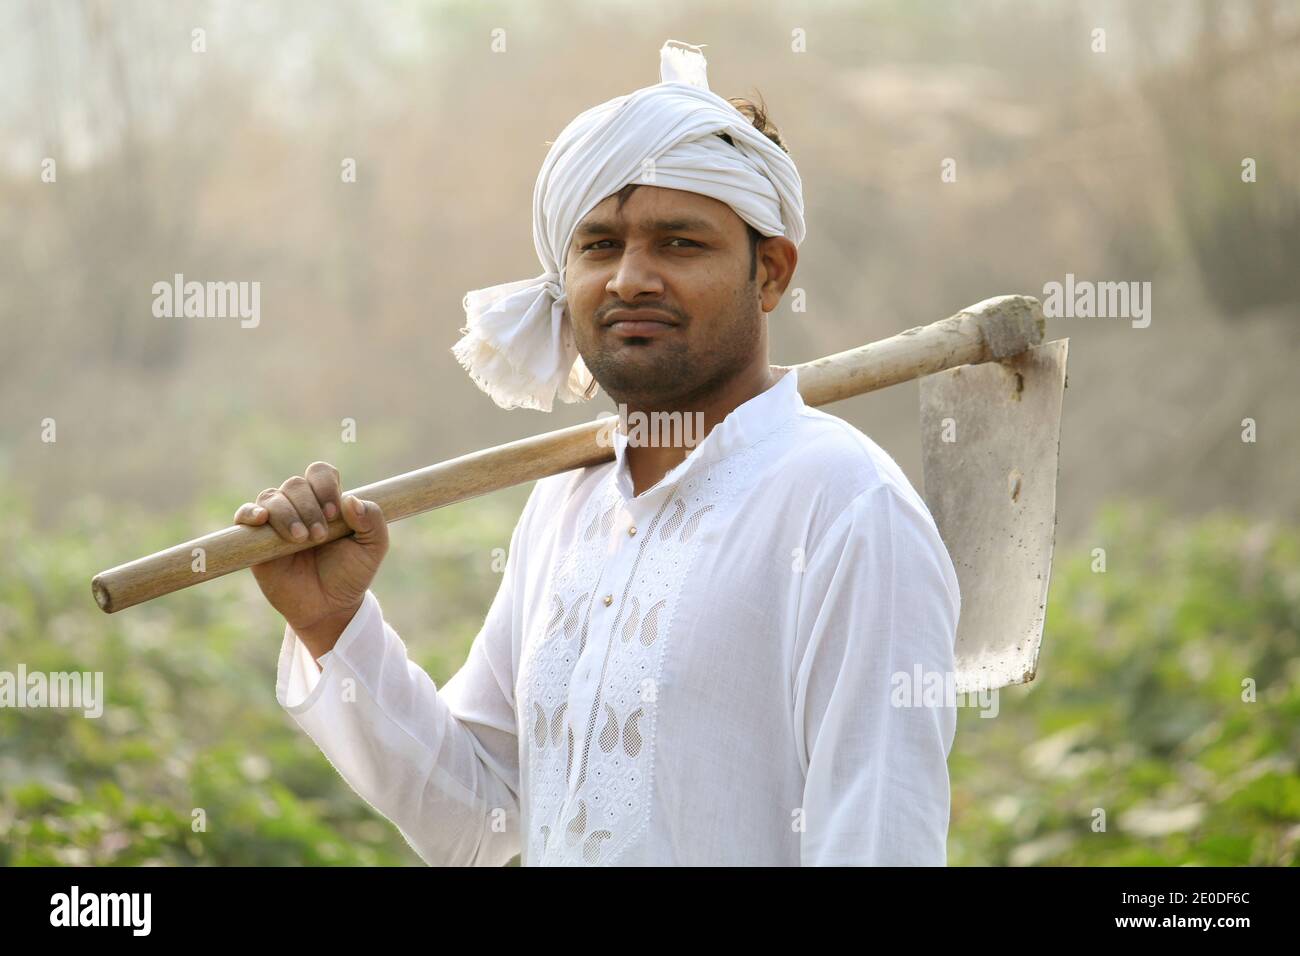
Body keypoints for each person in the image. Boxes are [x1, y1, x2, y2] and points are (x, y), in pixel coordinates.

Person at [235, 40, 961, 866]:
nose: (629, 280)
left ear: (771, 273)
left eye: (680, 244)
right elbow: (480, 822)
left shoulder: (846, 507)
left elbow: (878, 838)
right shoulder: (567, 505)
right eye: (599, 246)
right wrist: (332, 626)